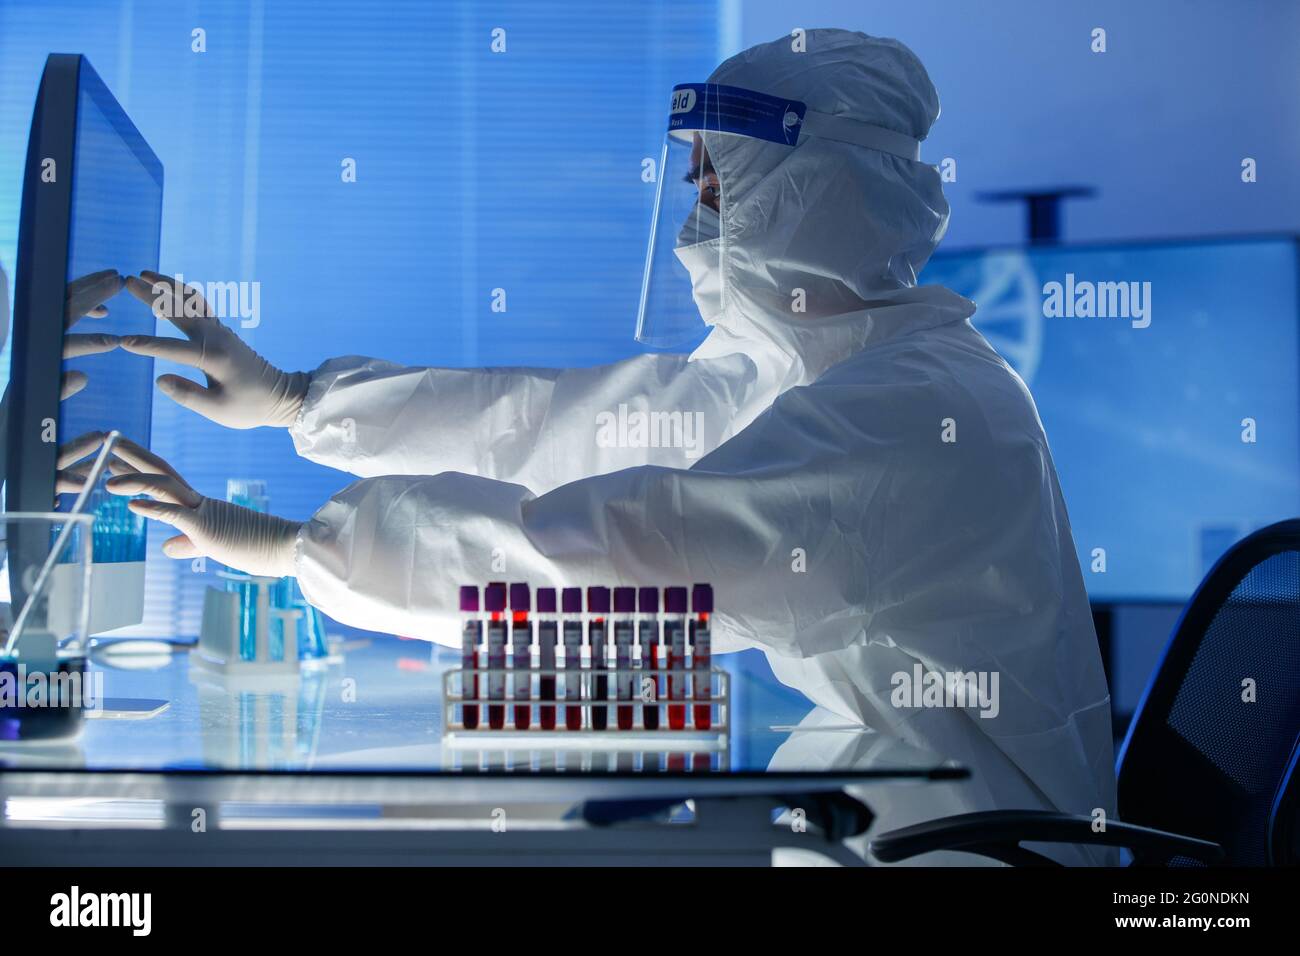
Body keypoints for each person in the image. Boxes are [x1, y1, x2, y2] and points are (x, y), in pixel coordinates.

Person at [106, 29, 1116, 862]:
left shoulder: (905, 407)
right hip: (886, 804)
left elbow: (627, 551)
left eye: (718, 187)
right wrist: (298, 401)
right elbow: (564, 426)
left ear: (816, 194)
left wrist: (296, 550)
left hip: (966, 847)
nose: (693, 221)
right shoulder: (833, 365)